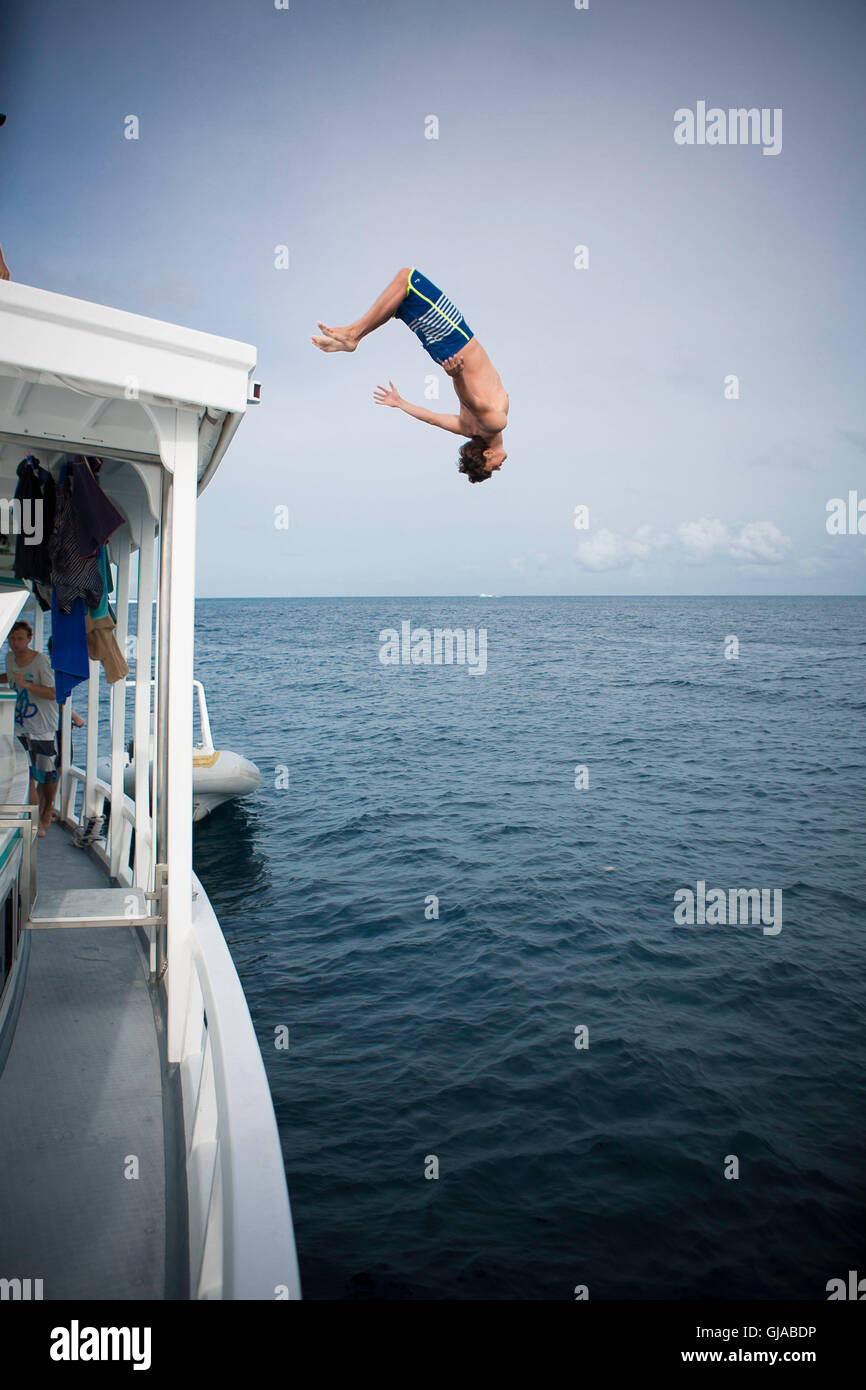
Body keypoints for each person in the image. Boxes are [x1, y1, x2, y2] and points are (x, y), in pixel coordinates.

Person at [312, 266, 509, 483]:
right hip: (441, 353)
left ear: (487, 454)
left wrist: (456, 376)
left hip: (455, 341)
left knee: (407, 278)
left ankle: (352, 335)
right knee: (399, 302)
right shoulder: (467, 430)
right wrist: (401, 403)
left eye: (492, 468)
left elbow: (470, 401)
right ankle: (354, 337)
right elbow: (432, 419)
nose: (499, 468)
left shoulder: (495, 424)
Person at [4, 620, 59, 835]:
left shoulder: (41, 661)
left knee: (47, 776)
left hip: (43, 727)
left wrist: (26, 684)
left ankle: (47, 811)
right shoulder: (9, 659)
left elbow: (53, 693)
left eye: (19, 638)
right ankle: (33, 821)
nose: (15, 643)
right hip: (19, 727)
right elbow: (9, 678)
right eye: (11, 638)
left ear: (29, 639)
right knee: (27, 775)